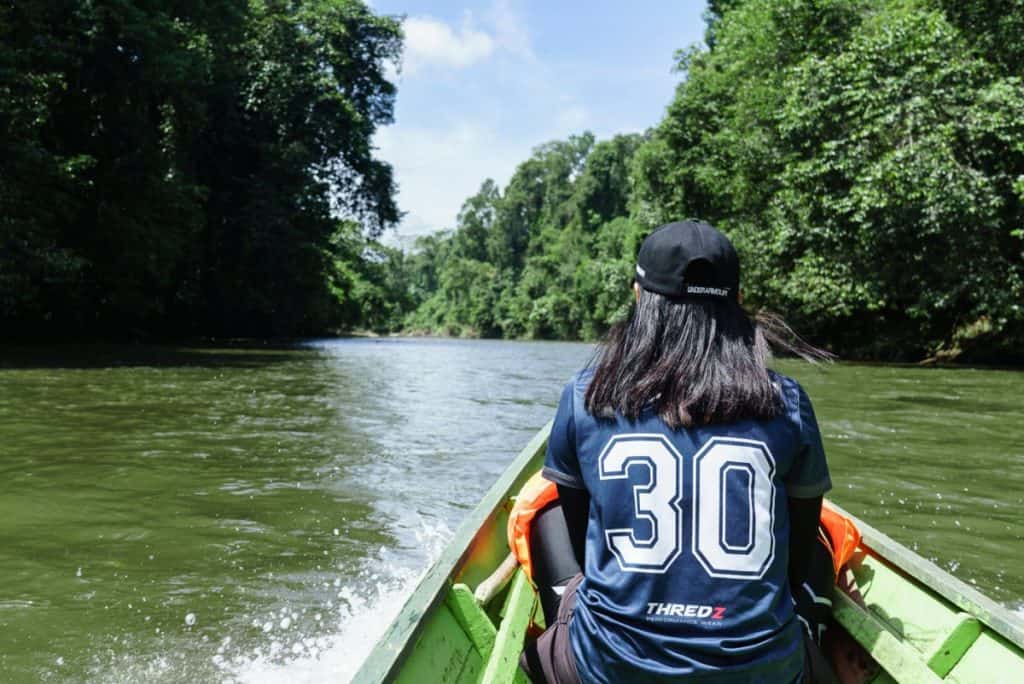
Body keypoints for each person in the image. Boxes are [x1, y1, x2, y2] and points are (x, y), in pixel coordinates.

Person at [519, 220, 837, 683]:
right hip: (759, 675)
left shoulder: (587, 394)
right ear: (738, 303)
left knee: (545, 514)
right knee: (822, 546)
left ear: (638, 296)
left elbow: (586, 547)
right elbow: (794, 563)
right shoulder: (786, 402)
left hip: (610, 671)